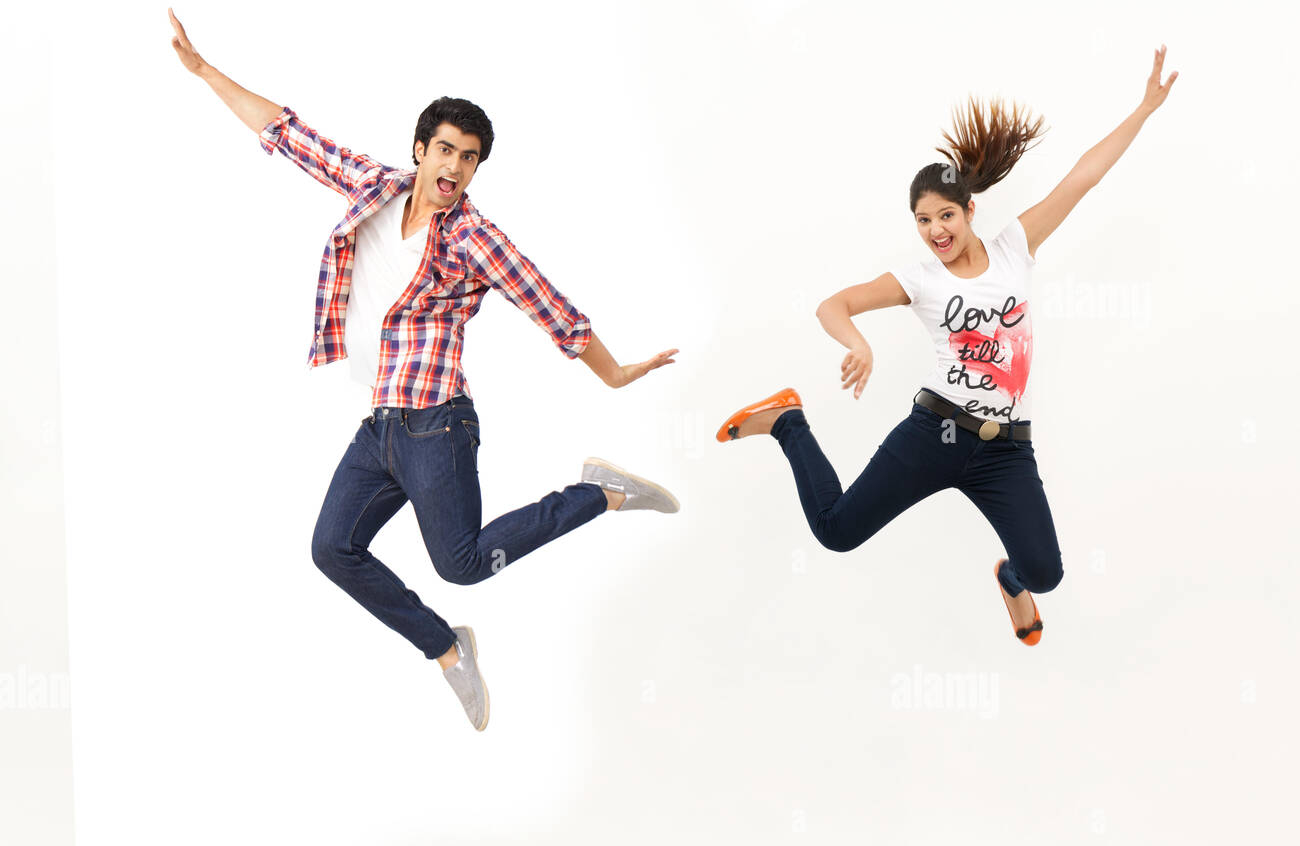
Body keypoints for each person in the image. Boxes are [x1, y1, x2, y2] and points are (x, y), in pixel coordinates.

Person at [168, 9, 681, 731]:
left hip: (438, 424)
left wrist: (617, 373)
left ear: (475, 169)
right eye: (445, 150)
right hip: (379, 426)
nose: (454, 167)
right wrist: (203, 71)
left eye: (469, 158)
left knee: (464, 563)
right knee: (332, 548)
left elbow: (551, 307)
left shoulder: (474, 238)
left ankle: (599, 494)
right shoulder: (373, 189)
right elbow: (287, 133)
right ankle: (446, 647)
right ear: (420, 150)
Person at [717, 47, 1178, 647]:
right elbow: (833, 305)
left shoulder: (1014, 248)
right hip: (934, 435)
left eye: (945, 216)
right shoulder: (920, 280)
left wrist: (1143, 109)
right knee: (836, 531)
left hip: (1006, 452)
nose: (936, 231)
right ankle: (788, 423)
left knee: (1047, 574)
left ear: (969, 210)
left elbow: (1082, 179)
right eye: (922, 220)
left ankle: (1010, 582)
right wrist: (859, 343)